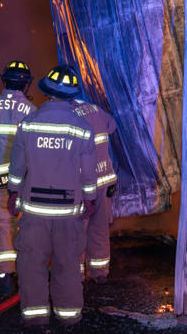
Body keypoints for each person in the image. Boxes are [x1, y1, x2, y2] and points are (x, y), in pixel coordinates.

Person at [6, 65, 98, 326]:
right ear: (72, 95)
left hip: (34, 211)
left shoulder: (29, 124)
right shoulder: (83, 128)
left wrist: (13, 193)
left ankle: (35, 318)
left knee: (31, 264)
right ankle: (69, 318)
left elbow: (17, 166)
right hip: (68, 213)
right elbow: (88, 173)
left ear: (47, 91)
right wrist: (89, 200)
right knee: (67, 265)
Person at [0, 60, 35, 292]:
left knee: (3, 226)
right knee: (27, 226)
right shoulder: (32, 111)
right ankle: (28, 275)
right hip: (22, 179)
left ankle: (4, 276)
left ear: (4, 81)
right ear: (26, 84)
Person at [73, 97, 117, 284]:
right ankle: (99, 272)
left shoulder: (65, 115)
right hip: (105, 180)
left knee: (76, 231)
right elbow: (112, 126)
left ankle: (76, 275)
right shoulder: (95, 109)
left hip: (82, 184)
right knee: (99, 228)